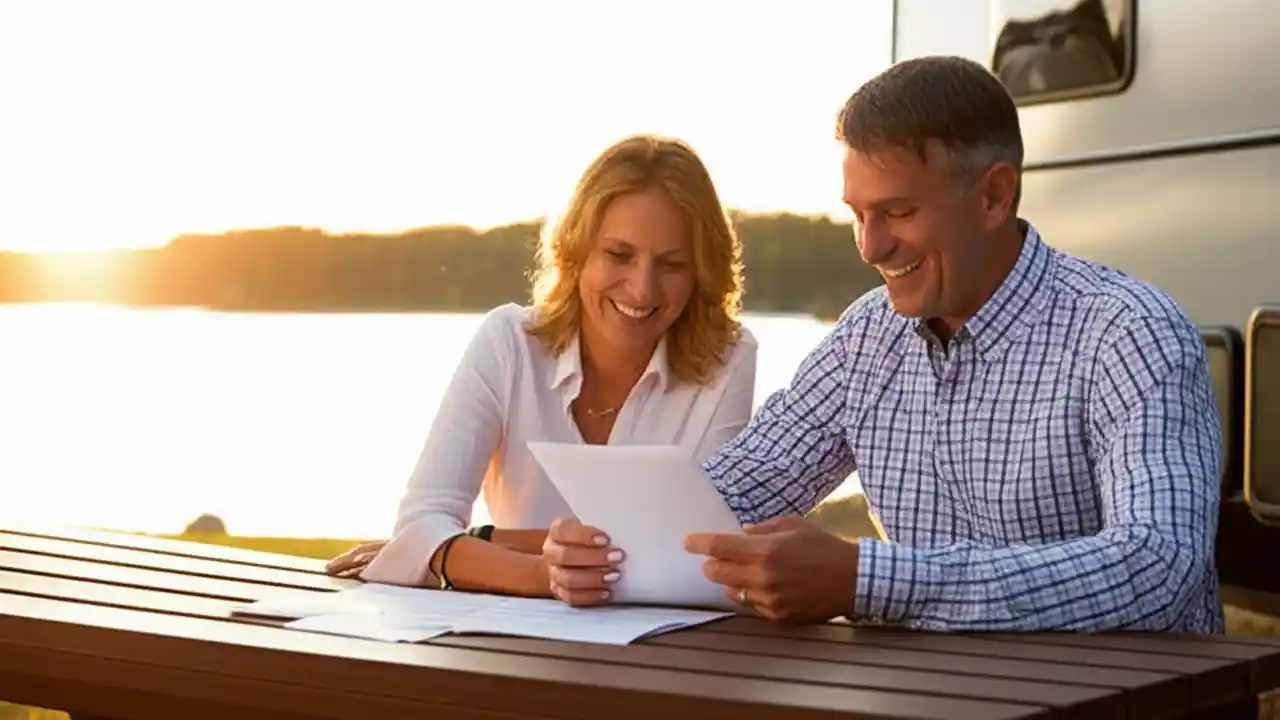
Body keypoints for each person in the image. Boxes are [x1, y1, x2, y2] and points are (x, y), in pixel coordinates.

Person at [543, 56, 1224, 633]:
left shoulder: (1129, 332)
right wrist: (607, 541)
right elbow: (735, 492)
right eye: (858, 216)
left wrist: (868, 578)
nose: (871, 247)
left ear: (994, 196)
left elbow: (1157, 566)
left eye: (898, 212)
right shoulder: (869, 337)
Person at [325, 134, 757, 597]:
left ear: (701, 272)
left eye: (671, 264)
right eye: (619, 255)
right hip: (514, 644)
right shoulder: (508, 343)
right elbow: (420, 524)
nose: (642, 289)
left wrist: (479, 544)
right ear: (577, 250)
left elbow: (704, 554)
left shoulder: (726, 359)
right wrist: (542, 574)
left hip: (663, 656)